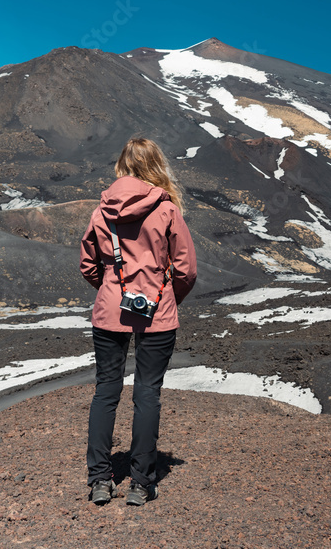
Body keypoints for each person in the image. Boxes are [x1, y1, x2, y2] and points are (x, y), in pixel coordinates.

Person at [79, 137, 197, 506]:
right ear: (155, 166)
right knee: (147, 393)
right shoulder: (166, 210)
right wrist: (165, 299)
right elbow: (187, 269)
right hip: (156, 314)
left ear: (122, 165)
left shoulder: (102, 210)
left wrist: (112, 290)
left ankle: (100, 479)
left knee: (106, 391)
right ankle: (141, 484)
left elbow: (88, 264)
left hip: (109, 311)